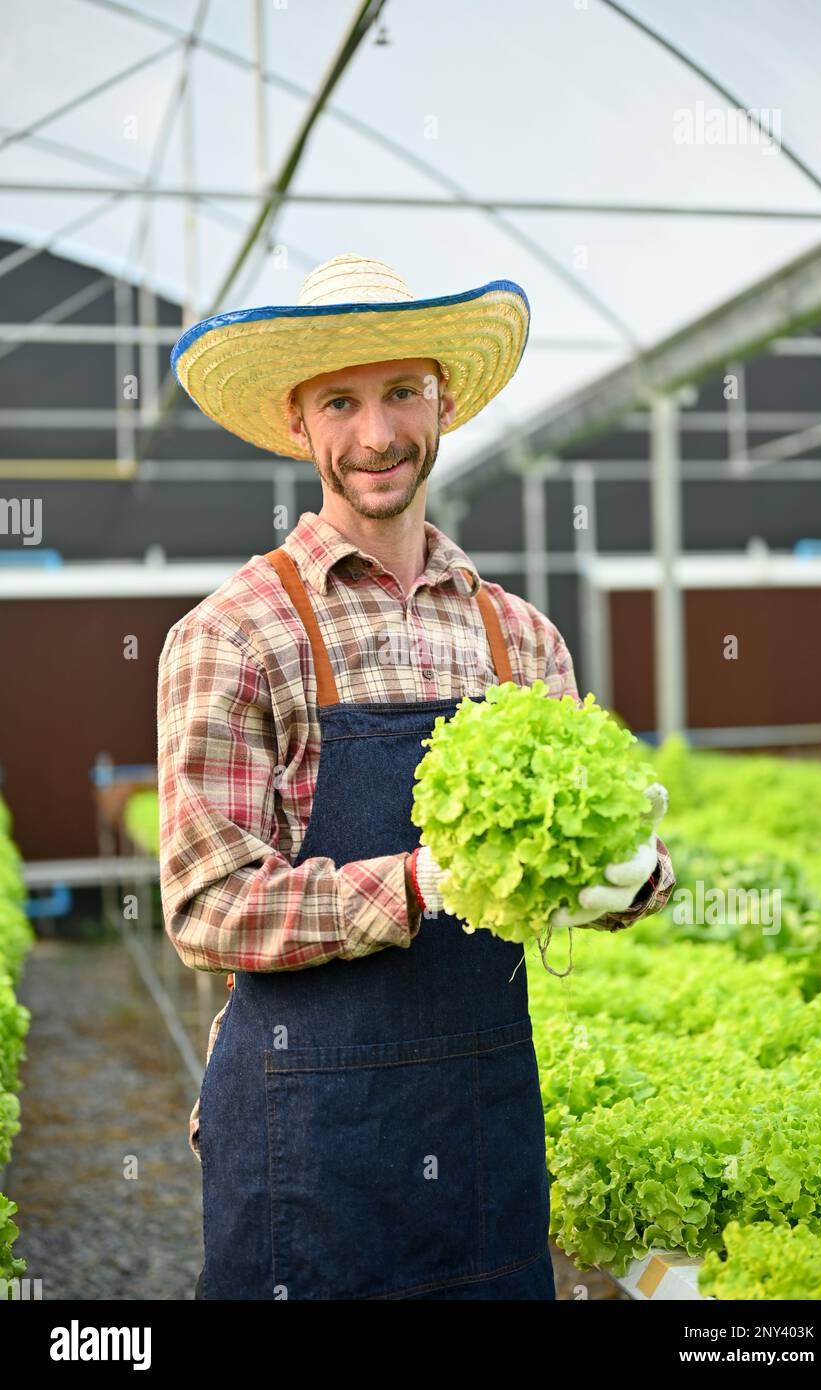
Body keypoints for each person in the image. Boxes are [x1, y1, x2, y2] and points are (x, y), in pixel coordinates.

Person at [160, 252, 675, 1302]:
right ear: (299, 422)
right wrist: (419, 884)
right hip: (305, 1148)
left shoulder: (519, 638)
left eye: (402, 392)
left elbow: (563, 873)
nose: (378, 434)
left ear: (443, 399)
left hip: (480, 1132)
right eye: (340, 401)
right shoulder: (236, 635)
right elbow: (209, 909)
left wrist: (629, 876)